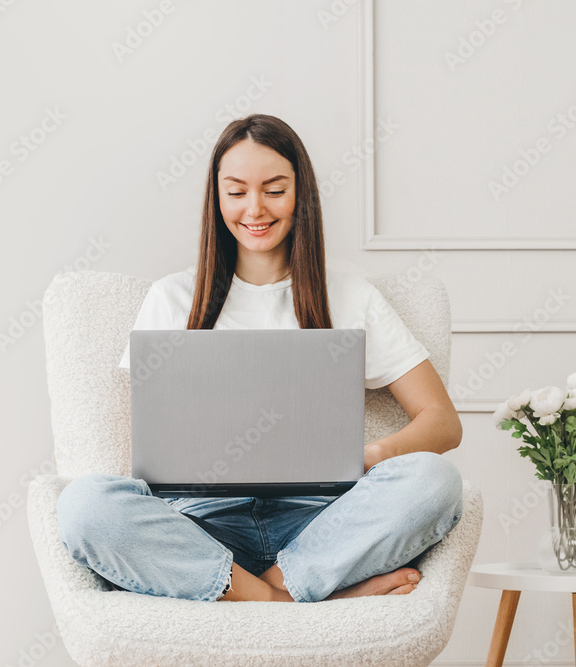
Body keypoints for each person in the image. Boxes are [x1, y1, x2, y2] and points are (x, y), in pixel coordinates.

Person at [56, 113, 463, 603]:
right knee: (84, 504)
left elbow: (442, 422)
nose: (255, 208)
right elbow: (149, 446)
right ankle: (287, 597)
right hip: (201, 527)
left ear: (301, 195)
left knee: (434, 481)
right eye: (237, 191)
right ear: (217, 198)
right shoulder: (172, 298)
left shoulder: (350, 294)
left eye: (274, 189)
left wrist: (370, 457)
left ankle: (262, 590)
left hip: (319, 524)